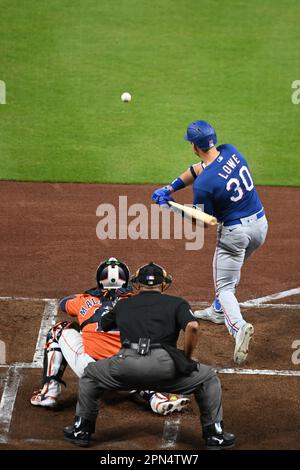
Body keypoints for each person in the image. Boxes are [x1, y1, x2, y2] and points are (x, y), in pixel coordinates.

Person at [63, 262, 235, 449]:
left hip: (126, 366)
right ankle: (214, 435)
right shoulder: (177, 303)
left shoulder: (124, 304)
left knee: (91, 375)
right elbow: (193, 327)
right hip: (165, 367)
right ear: (163, 284)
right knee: (208, 378)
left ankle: (82, 431)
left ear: (137, 284)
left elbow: (104, 325)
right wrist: (185, 357)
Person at [152, 120, 268, 364]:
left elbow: (204, 221)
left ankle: (238, 328)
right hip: (260, 226)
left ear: (194, 146)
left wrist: (170, 207)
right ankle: (217, 311)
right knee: (232, 270)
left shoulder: (205, 185)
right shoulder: (230, 151)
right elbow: (201, 168)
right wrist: (170, 188)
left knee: (224, 286)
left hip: (236, 234)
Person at [30, 257, 190, 416]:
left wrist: (90, 296)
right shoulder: (136, 302)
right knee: (142, 348)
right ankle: (157, 398)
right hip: (128, 368)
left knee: (59, 329)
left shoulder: (83, 300)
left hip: (93, 370)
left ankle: (48, 393)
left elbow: (63, 303)